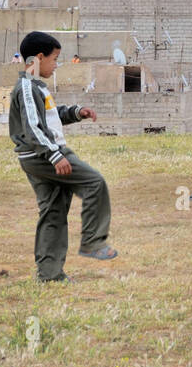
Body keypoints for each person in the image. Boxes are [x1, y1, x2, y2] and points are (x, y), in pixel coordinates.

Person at [10, 31, 116, 282]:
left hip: (41, 154)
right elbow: (33, 127)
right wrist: (55, 156)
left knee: (54, 212)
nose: (56, 66)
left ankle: (50, 275)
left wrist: (77, 112)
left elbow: (49, 117)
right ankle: (93, 242)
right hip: (42, 156)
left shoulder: (36, 87)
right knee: (94, 183)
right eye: (54, 59)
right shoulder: (27, 86)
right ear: (38, 57)